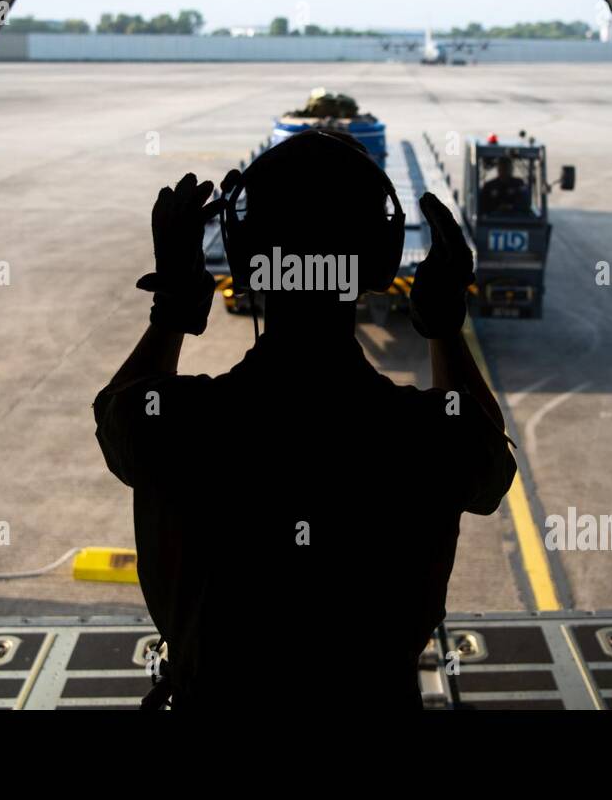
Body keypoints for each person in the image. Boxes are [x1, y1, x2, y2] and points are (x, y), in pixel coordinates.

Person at [93, 131, 515, 708]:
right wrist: (443, 324)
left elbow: (119, 410)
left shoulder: (178, 426)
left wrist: (175, 307)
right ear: (376, 257)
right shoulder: (422, 437)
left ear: (246, 260)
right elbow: (488, 461)